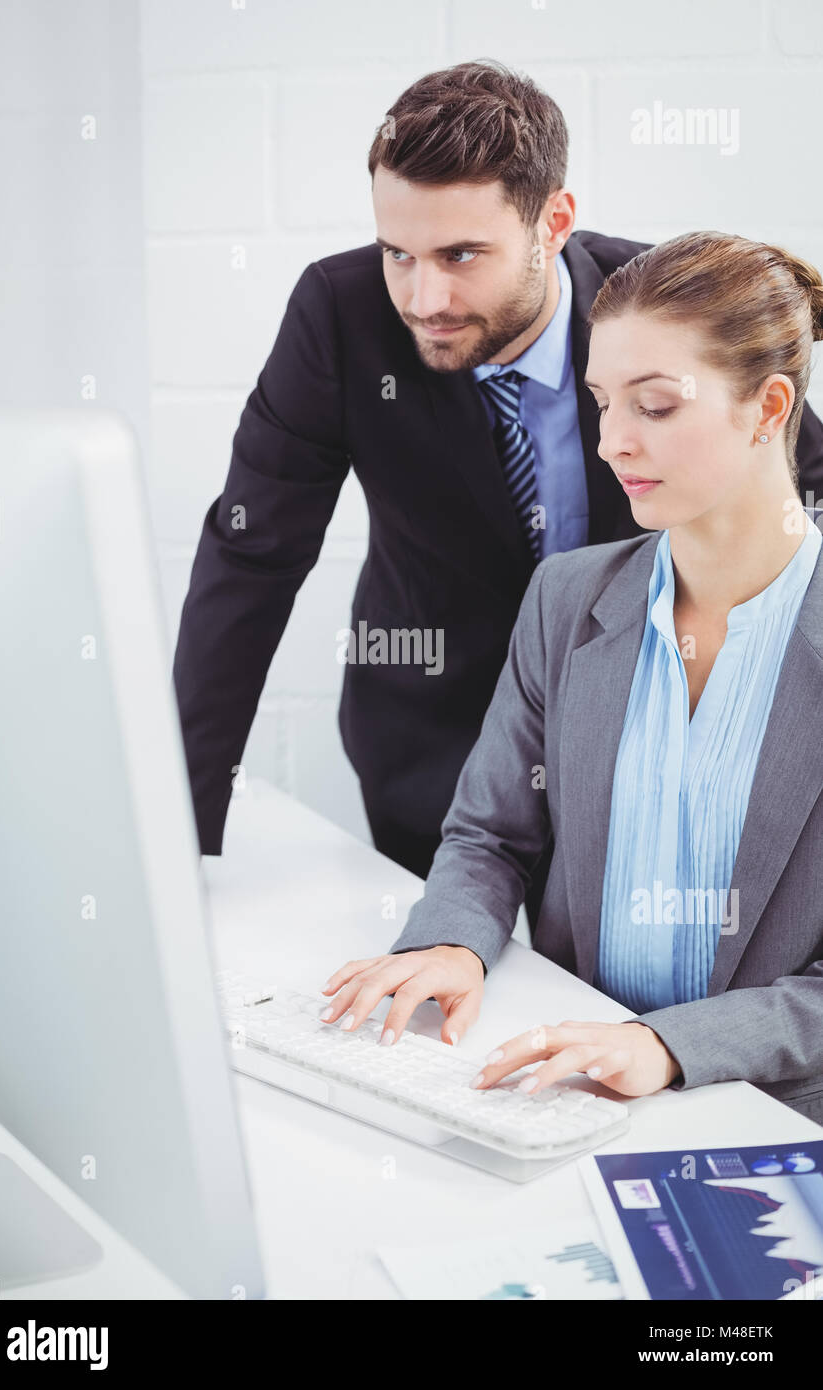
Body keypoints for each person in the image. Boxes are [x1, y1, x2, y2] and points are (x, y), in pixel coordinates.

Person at [172, 61, 823, 944]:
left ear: (553, 221)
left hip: (625, 750)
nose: (424, 298)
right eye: (398, 253)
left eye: (461, 256)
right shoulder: (342, 313)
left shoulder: (648, 308)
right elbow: (252, 554)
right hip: (426, 743)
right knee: (443, 1000)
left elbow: (803, 483)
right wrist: (178, 822)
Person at [320, 230, 823, 1126]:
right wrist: (453, 943)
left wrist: (669, 1046)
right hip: (574, 1090)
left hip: (769, 1116)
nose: (611, 443)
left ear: (767, 407)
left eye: (656, 406)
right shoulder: (569, 598)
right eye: (601, 402)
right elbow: (489, 836)